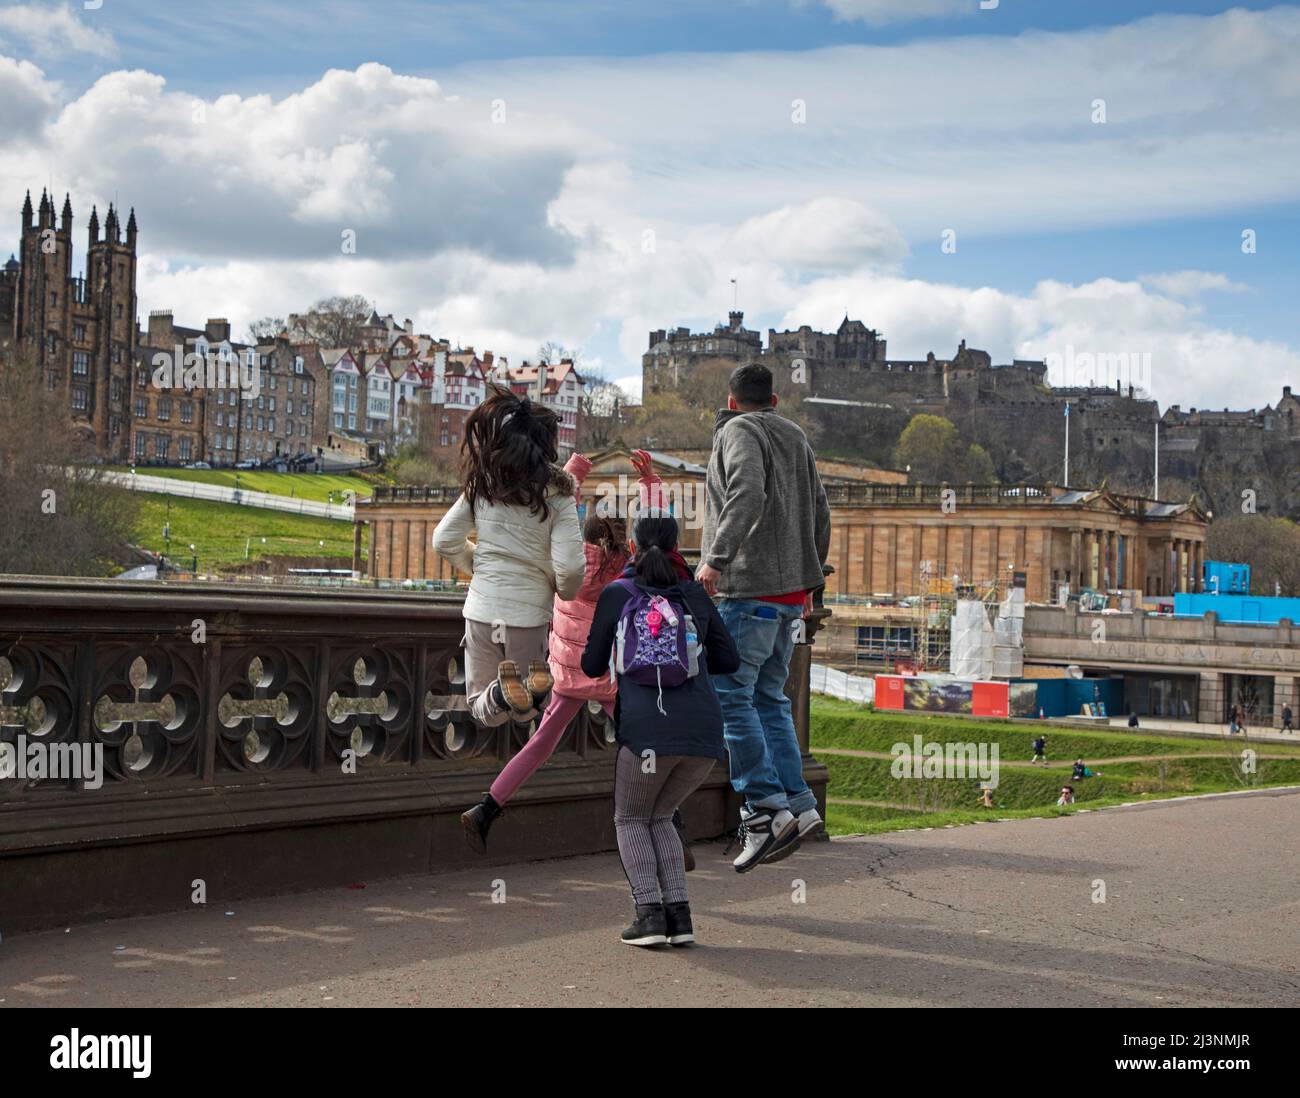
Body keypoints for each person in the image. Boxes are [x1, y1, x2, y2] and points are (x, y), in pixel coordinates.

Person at [460, 450, 667, 852]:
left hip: (566, 677)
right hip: (610, 679)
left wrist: (576, 469)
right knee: (645, 744)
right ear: (623, 539)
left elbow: (559, 509)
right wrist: (650, 483)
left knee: (538, 746)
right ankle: (668, 820)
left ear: (581, 536)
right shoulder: (628, 567)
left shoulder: (565, 564)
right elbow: (655, 534)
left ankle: (487, 808)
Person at [582, 512, 739, 948]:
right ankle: (679, 916)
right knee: (660, 816)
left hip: (648, 733)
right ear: (677, 548)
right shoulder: (693, 593)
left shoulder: (619, 593)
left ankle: (649, 916)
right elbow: (729, 661)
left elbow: (591, 665)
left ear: (632, 547)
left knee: (631, 817)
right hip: (705, 737)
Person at [697, 362, 831, 872]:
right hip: (789, 596)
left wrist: (716, 559)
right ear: (773, 399)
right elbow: (821, 511)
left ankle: (764, 810)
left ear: (732, 401)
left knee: (731, 695)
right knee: (769, 699)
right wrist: (810, 582)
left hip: (747, 589)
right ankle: (799, 803)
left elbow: (748, 492)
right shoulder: (794, 434)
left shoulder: (736, 430)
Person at [432, 385, 585, 796]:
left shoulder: (484, 484)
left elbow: (444, 539)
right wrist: (556, 589)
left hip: (483, 610)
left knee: (484, 709)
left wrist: (479, 566)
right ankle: (532, 688)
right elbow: (571, 569)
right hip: (529, 615)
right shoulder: (560, 497)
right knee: (525, 715)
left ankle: (506, 692)